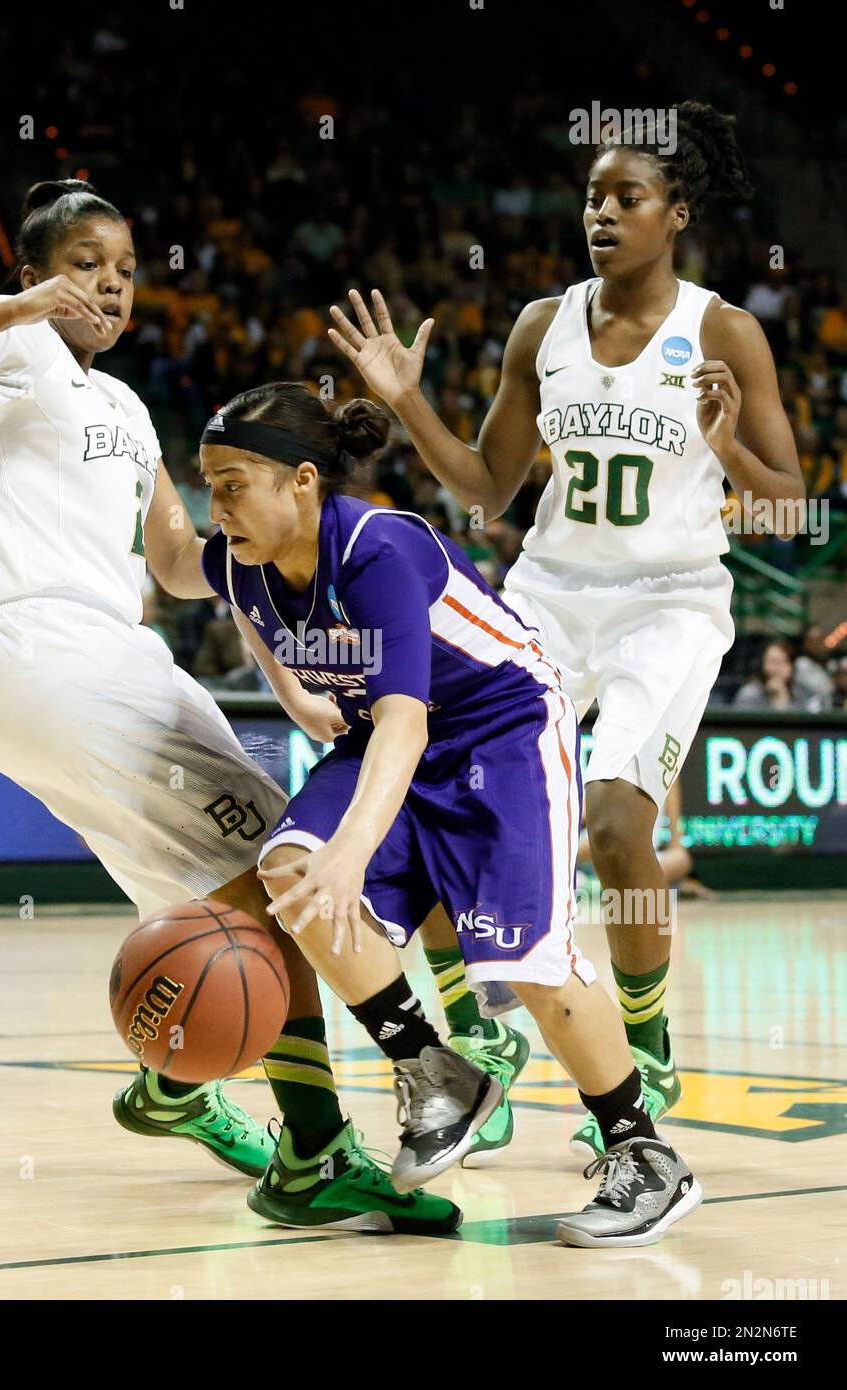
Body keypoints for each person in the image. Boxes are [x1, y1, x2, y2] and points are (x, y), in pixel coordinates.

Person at [0, 178, 469, 1235]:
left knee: (206, 909)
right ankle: (317, 1152)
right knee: (276, 871)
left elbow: (179, 562)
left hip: (90, 660)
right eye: (86, 263)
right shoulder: (9, 346)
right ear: (35, 270)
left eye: (126, 273)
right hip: (43, 643)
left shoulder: (129, 409)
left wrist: (292, 585)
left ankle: (175, 1085)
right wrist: (15, 310)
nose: (111, 286)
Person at [329, 101, 805, 1161]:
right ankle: (473, 1040)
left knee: (616, 821)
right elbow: (487, 491)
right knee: (435, 783)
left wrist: (729, 450)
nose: (602, 212)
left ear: (674, 213)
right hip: (545, 590)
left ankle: (646, 1040)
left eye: (626, 197)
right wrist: (409, 402)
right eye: (592, 196)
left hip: (670, 599)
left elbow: (790, 502)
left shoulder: (726, 332)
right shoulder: (542, 326)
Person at [190, 380, 702, 1248]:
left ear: (303, 482)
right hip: (387, 736)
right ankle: (436, 1068)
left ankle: (643, 1153)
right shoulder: (237, 559)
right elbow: (184, 567)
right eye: (207, 483)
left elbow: (404, 719)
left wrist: (354, 850)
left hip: (497, 729)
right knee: (290, 875)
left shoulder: (381, 548)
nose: (217, 503)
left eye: (233, 482)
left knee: (527, 959)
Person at [733, 639, 826, 712]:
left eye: (783, 661)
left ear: (791, 666)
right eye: (773, 661)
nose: (777, 668)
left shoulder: (806, 694)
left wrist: (783, 700)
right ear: (763, 664)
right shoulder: (749, 693)